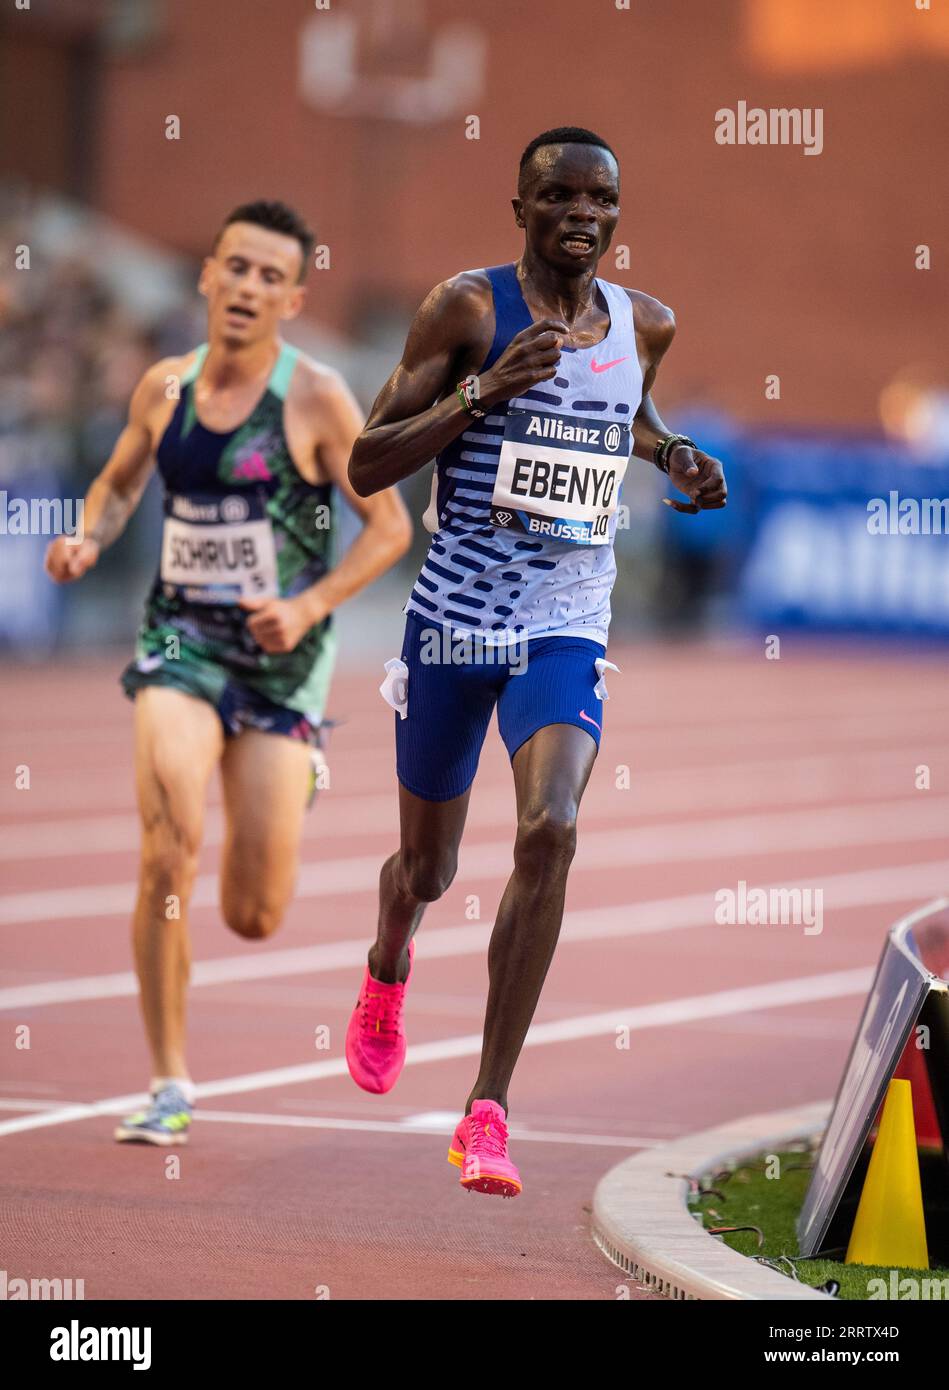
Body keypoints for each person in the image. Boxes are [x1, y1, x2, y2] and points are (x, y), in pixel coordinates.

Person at [345, 129, 726, 1196]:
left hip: (565, 617)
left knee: (550, 829)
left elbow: (625, 418)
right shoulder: (465, 310)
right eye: (555, 194)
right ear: (517, 207)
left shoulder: (645, 323)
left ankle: (486, 1109)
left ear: (617, 210)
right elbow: (364, 463)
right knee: (429, 869)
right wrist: (479, 394)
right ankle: (388, 960)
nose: (579, 213)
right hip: (454, 621)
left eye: (598, 197)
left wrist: (673, 454)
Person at [45, 200, 412, 1145]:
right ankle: (169, 1081)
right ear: (206, 276)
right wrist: (89, 535)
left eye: (268, 276)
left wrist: (308, 606)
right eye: (233, 268)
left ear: (293, 297)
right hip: (179, 642)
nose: (247, 288)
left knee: (253, 912)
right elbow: (124, 478)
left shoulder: (318, 398)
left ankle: (297, 775)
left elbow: (389, 528)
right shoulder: (164, 387)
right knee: (167, 838)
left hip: (281, 664)